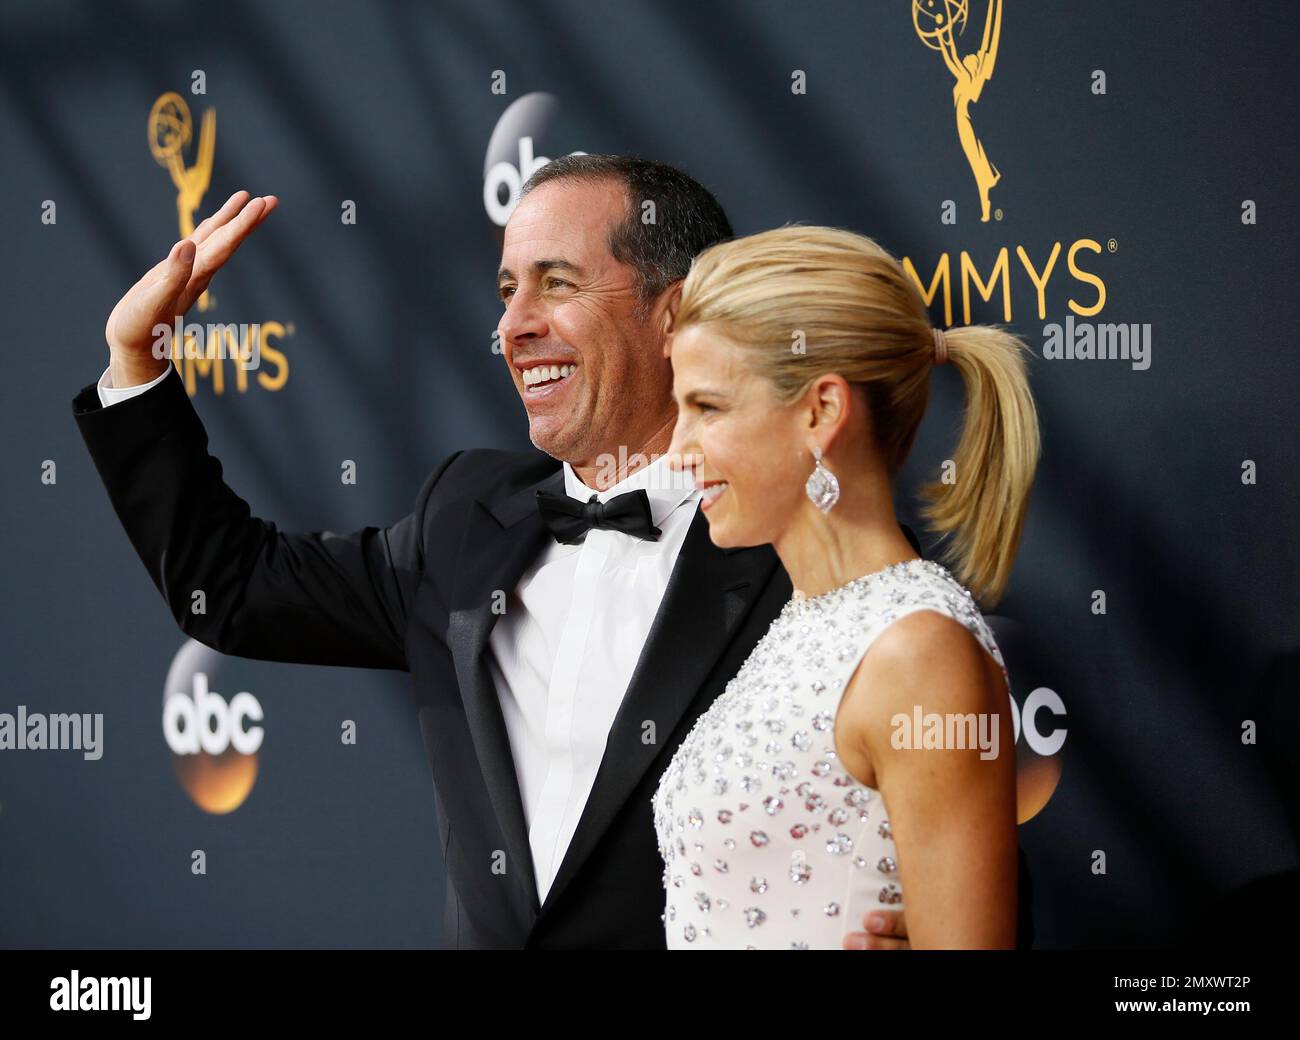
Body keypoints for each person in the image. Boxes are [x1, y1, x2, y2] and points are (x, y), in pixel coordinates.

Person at [73, 154, 1033, 948]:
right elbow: (228, 588)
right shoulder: (464, 520)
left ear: (674, 312)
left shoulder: (804, 560)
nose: (512, 323)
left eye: (557, 283)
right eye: (505, 289)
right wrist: (137, 365)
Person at [653, 224, 1040, 947]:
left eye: (707, 408)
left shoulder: (918, 654)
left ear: (822, 412)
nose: (676, 452)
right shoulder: (805, 618)